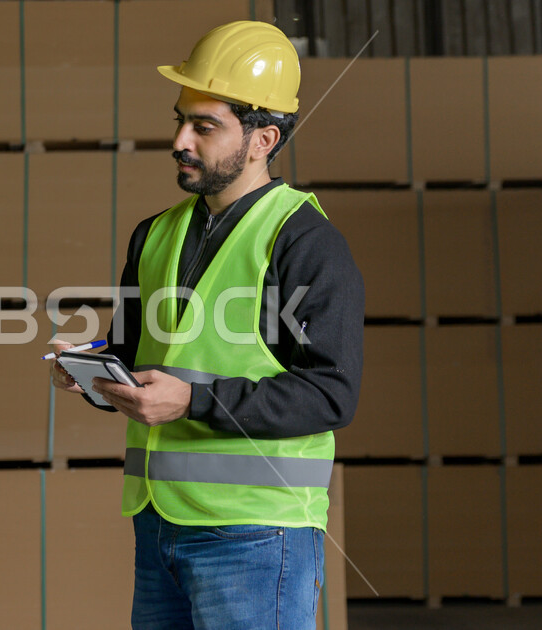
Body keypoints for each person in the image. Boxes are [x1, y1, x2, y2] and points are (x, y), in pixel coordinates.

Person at [50, 21, 363, 630]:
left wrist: (194, 401)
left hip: (258, 533)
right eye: (180, 120)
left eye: (204, 126)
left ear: (262, 139)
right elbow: (134, 354)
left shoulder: (306, 242)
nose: (180, 140)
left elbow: (331, 392)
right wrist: (90, 371)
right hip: (157, 525)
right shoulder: (154, 233)